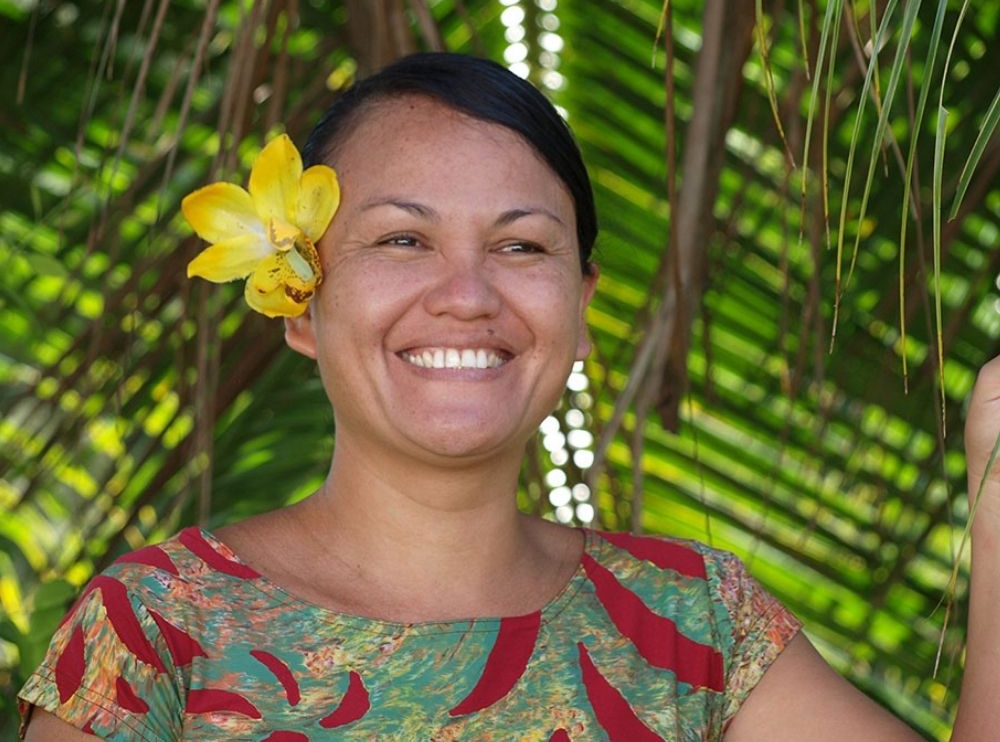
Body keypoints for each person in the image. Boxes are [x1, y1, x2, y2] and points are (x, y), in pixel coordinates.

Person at [18, 52, 1000, 741]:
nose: (466, 296)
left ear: (577, 310)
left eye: (521, 245)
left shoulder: (697, 622)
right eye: (402, 239)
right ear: (298, 300)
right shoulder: (156, 628)